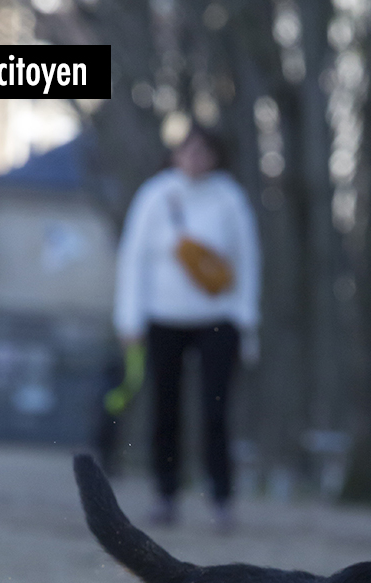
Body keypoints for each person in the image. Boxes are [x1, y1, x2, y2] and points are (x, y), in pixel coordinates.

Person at [113, 125, 261, 529]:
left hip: (218, 320)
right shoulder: (155, 195)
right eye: (188, 150)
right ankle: (165, 494)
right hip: (162, 319)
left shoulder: (230, 199)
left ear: (216, 156)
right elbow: (133, 260)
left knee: (215, 411)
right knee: (165, 408)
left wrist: (245, 322)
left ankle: (221, 498)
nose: (195, 158)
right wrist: (130, 319)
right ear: (175, 154)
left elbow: (247, 262)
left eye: (203, 150)